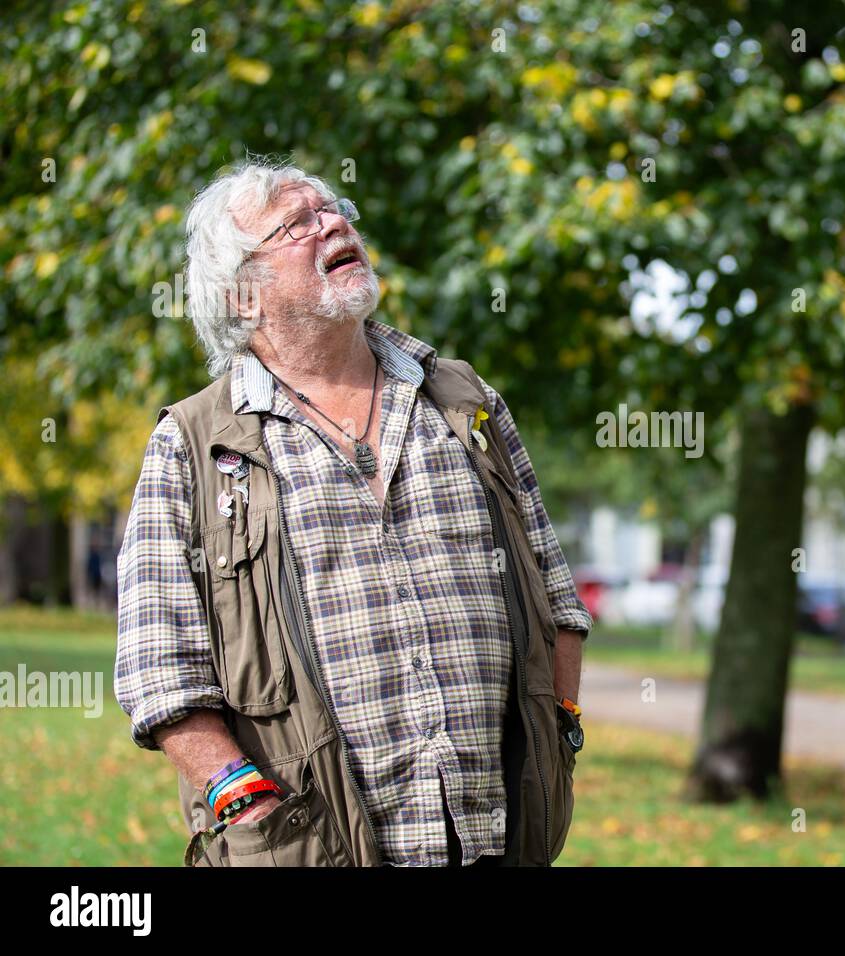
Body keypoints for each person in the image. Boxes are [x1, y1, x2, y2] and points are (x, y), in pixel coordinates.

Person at [114, 157, 591, 867]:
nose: (333, 223)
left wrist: (559, 735)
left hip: (495, 836)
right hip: (314, 847)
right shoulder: (194, 444)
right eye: (297, 224)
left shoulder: (464, 402)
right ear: (244, 294)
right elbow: (161, 671)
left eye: (333, 210)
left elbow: (556, 597)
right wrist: (247, 802)